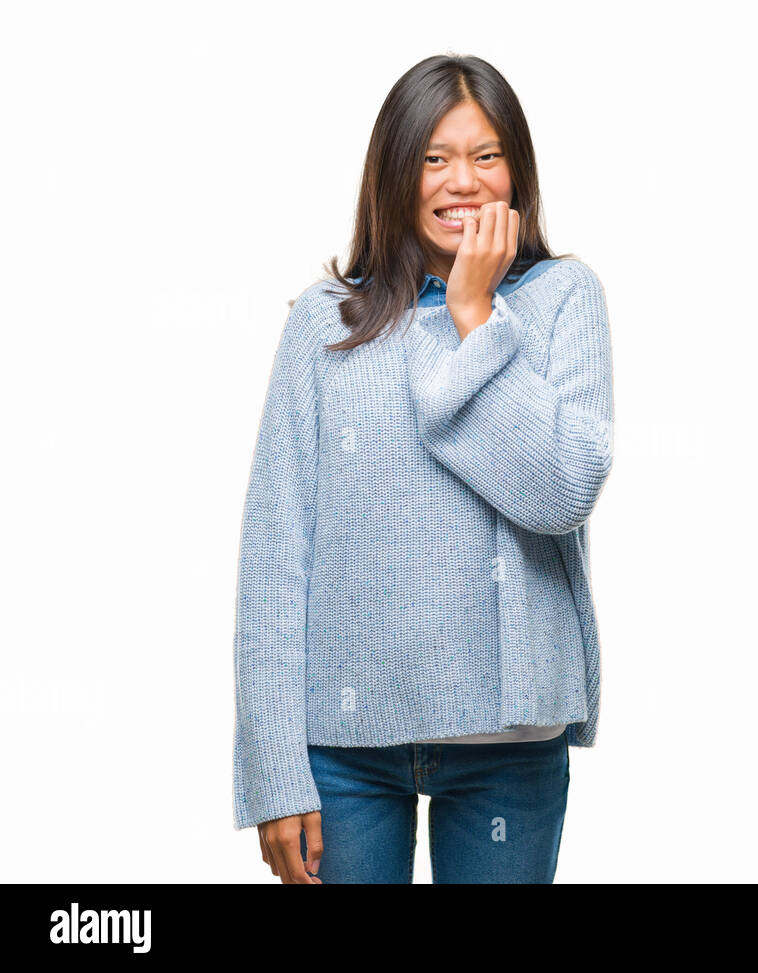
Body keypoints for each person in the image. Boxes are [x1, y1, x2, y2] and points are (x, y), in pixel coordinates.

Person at [231, 53, 615, 884]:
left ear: (517, 171)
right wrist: (272, 769)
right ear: (398, 173)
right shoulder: (326, 323)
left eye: (485, 156)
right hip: (344, 748)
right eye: (436, 157)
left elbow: (562, 491)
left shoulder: (562, 301)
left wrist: (474, 315)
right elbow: (275, 555)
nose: (462, 181)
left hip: (509, 745)